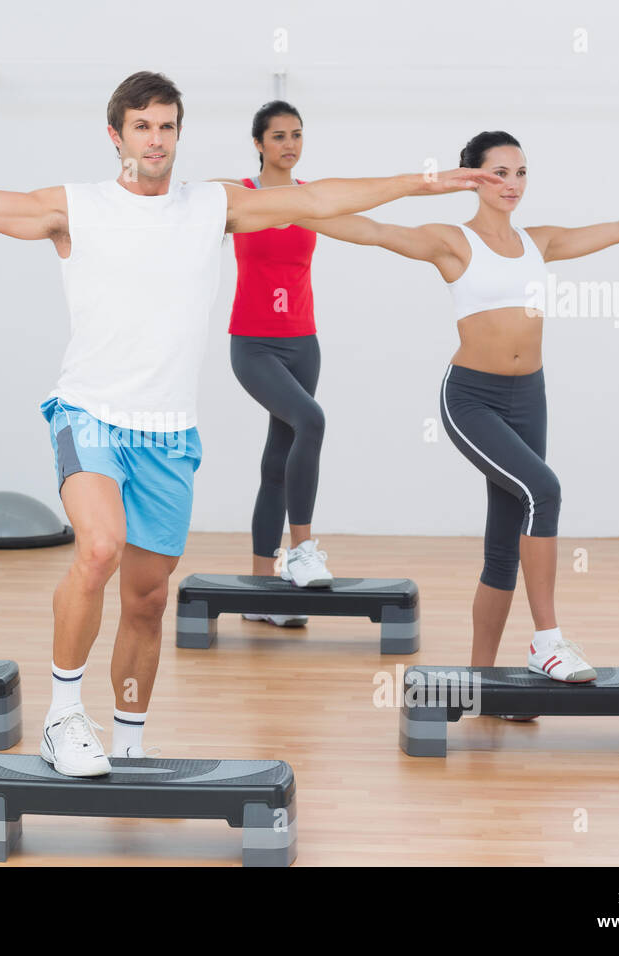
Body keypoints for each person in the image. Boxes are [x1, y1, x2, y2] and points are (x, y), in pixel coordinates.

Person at [0, 72, 498, 773]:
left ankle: (132, 743)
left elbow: (322, 200)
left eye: (166, 127)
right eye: (141, 126)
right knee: (99, 549)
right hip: (89, 416)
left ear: (178, 134)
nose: (155, 140)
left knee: (147, 599)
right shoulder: (75, 206)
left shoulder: (214, 205)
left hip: (170, 435)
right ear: (115, 134)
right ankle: (64, 715)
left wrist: (429, 180)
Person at [295, 130, 619, 692]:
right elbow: (369, 231)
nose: (512, 184)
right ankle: (547, 641)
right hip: (471, 398)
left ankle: (479, 681)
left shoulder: (541, 243)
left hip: (529, 398)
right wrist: (285, 206)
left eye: (520, 172)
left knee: (502, 544)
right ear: (472, 177)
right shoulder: (453, 242)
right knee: (545, 489)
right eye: (499, 173)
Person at [212, 101, 330, 630]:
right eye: (278, 135)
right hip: (254, 345)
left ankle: (261, 593)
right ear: (258, 142)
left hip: (303, 342)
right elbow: (183, 201)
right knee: (311, 420)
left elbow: (362, 222)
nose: (289, 143)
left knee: (277, 459)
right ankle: (302, 552)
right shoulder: (238, 195)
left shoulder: (310, 197)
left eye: (296, 134)